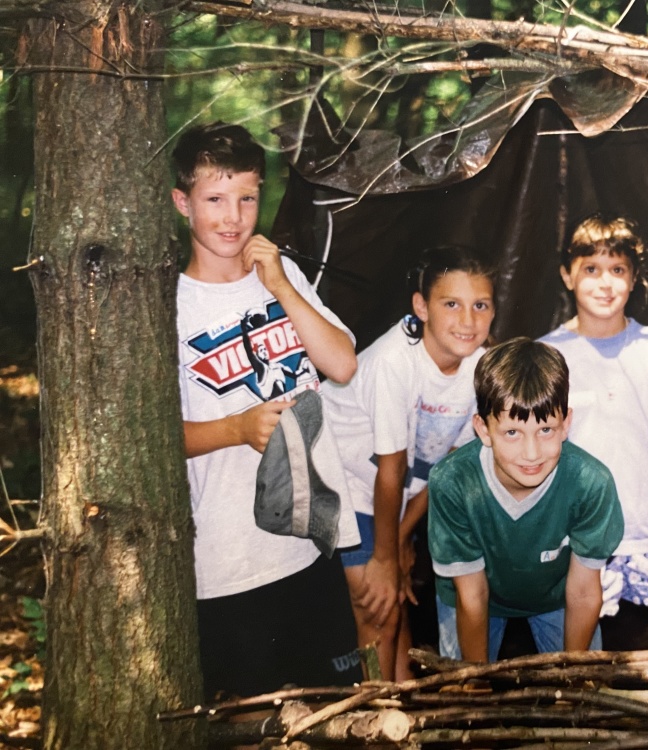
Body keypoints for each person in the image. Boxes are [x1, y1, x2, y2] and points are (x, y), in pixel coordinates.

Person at [172, 122, 361, 698]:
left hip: (309, 541)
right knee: (250, 719)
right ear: (183, 202)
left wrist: (279, 283)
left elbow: (343, 363)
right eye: (215, 199)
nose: (233, 217)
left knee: (336, 710)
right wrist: (236, 428)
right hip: (228, 560)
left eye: (247, 198)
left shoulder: (280, 277)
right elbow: (152, 438)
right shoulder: (172, 304)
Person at [322, 245, 496, 680]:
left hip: (398, 497)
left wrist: (401, 538)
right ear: (421, 306)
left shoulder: (481, 368)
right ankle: (378, 717)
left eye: (481, 306)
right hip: (346, 486)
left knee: (394, 607)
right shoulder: (394, 361)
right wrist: (385, 557)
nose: (467, 320)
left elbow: (444, 467)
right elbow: (391, 469)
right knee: (378, 609)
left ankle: (403, 711)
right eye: (451, 304)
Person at [541, 215, 648, 651]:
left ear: (633, 279)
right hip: (573, 546)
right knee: (571, 672)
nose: (604, 284)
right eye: (591, 269)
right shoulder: (545, 356)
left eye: (617, 270)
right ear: (567, 274)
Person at [428, 338, 625, 662]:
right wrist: (475, 683)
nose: (531, 453)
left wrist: (573, 679)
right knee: (463, 693)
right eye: (512, 433)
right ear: (483, 429)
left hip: (557, 596)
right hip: (473, 599)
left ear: (566, 424)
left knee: (585, 690)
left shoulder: (591, 483)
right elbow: (472, 596)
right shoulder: (452, 482)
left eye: (546, 430)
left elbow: (584, 591)